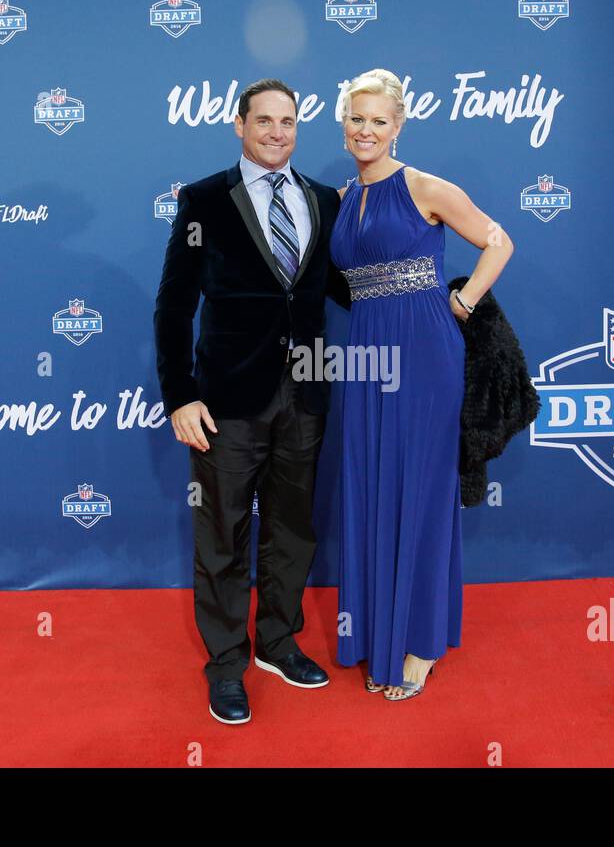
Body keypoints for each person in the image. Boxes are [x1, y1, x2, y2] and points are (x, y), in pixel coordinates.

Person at [154, 78, 352, 725]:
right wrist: (180, 395)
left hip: (306, 391)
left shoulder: (323, 200)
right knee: (224, 538)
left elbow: (345, 291)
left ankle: (276, 641)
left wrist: (427, 296)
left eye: (288, 121)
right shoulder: (204, 200)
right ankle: (226, 666)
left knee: (294, 529)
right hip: (227, 399)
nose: (277, 131)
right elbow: (174, 305)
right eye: (264, 120)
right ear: (239, 126)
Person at [330, 68, 513, 700]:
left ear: (399, 126)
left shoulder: (423, 186)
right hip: (365, 351)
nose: (367, 129)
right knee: (372, 482)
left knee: (422, 487)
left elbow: (499, 241)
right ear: (344, 122)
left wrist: (461, 303)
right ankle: (375, 629)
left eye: (379, 120)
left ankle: (419, 645)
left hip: (424, 350)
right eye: (357, 118)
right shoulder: (346, 198)